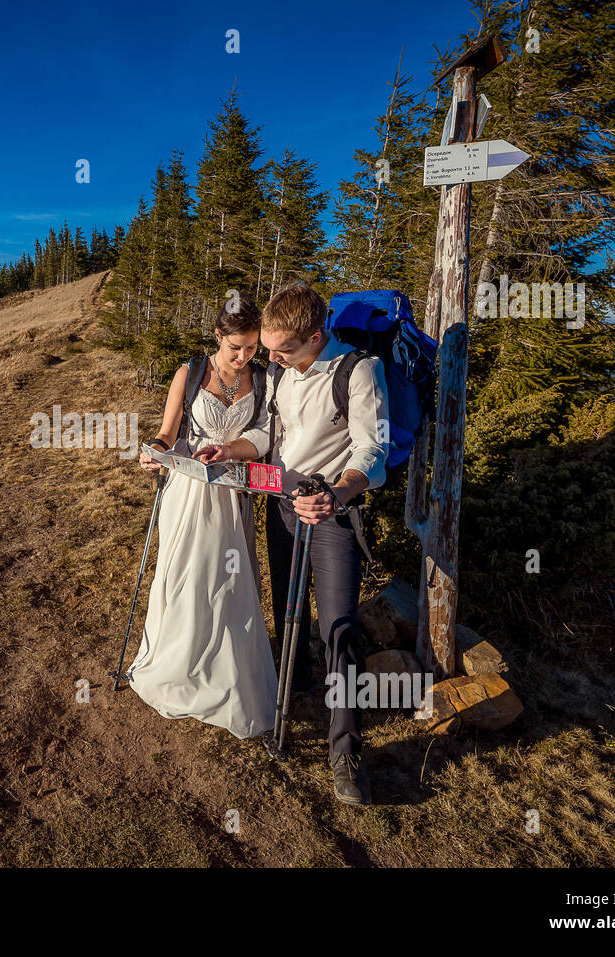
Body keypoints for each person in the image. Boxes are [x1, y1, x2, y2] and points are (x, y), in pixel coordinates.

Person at [250, 281, 390, 806]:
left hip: (334, 510)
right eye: (270, 351)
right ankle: (292, 692)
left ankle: (346, 750)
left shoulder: (357, 370)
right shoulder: (280, 373)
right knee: (288, 608)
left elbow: (372, 447)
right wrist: (230, 450)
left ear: (315, 335)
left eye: (284, 350)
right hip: (283, 500)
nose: (275, 360)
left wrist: (337, 493)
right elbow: (269, 437)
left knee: (341, 626)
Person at [128, 299, 278, 740]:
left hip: (233, 491)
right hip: (189, 491)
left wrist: (234, 451)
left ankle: (230, 674)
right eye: (236, 347)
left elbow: (266, 434)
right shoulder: (190, 373)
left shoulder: (264, 378)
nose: (244, 356)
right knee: (185, 576)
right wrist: (153, 452)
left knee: (229, 580)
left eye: (252, 347)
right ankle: (178, 662)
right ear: (218, 337)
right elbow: (168, 431)